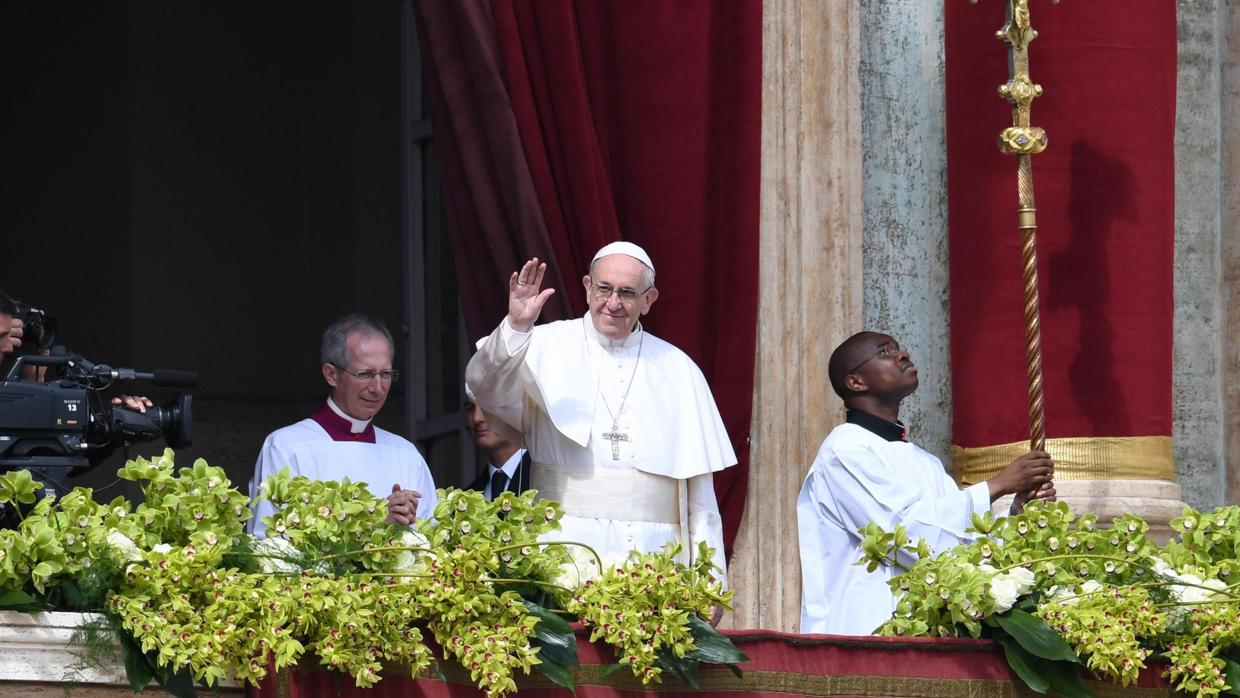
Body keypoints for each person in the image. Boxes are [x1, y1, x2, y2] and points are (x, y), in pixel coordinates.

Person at [465, 242, 736, 584]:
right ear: (587, 287)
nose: (613, 303)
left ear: (649, 300)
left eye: (627, 293)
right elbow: (484, 387)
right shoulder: (542, 344)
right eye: (604, 288)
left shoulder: (678, 369)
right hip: (560, 553)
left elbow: (700, 492)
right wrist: (516, 327)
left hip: (656, 564)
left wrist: (711, 578)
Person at [797, 331, 1056, 636]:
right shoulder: (844, 450)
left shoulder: (924, 461)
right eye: (884, 351)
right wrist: (997, 486)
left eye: (898, 347)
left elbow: (956, 543)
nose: (902, 355)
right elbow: (899, 533)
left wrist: (1016, 515)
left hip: (927, 628)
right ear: (856, 382)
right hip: (866, 628)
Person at [247, 314, 437, 536]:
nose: (377, 388)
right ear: (331, 375)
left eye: (385, 374)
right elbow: (269, 546)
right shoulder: (286, 447)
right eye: (365, 374)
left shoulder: (405, 454)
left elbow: (431, 543)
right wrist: (375, 525)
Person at [464, 387, 530, 500]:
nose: (476, 418)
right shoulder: (466, 499)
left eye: (488, 406)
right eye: (470, 408)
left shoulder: (546, 477)